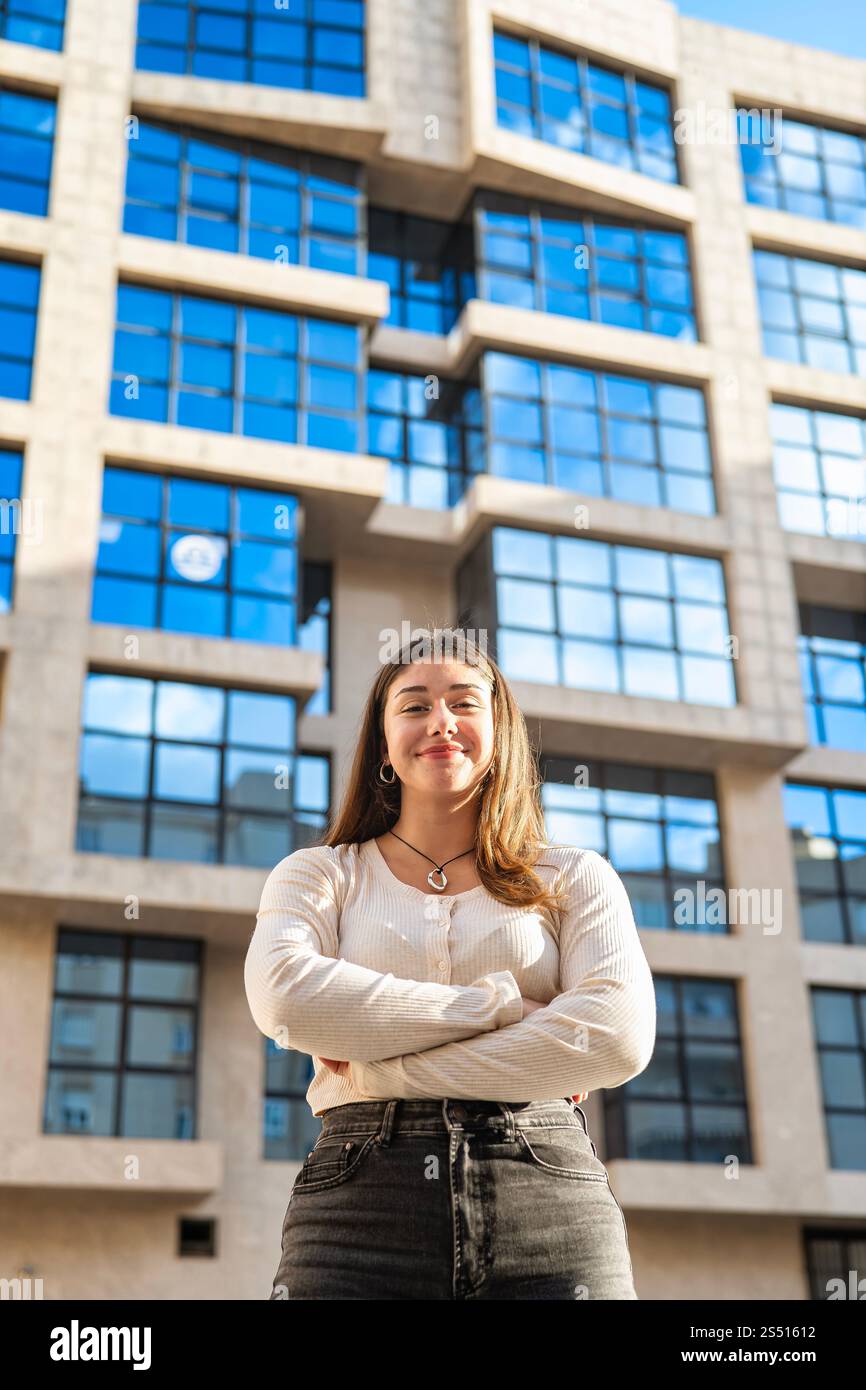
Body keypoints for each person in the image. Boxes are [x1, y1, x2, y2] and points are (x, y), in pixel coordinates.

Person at [244, 628, 656, 1299]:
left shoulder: (575, 876)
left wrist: (380, 1067)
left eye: (464, 703)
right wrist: (500, 1009)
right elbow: (288, 1002)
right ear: (384, 745)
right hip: (358, 1205)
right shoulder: (318, 875)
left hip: (545, 1193)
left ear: (499, 731)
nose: (441, 722)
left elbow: (613, 1036)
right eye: (413, 706)